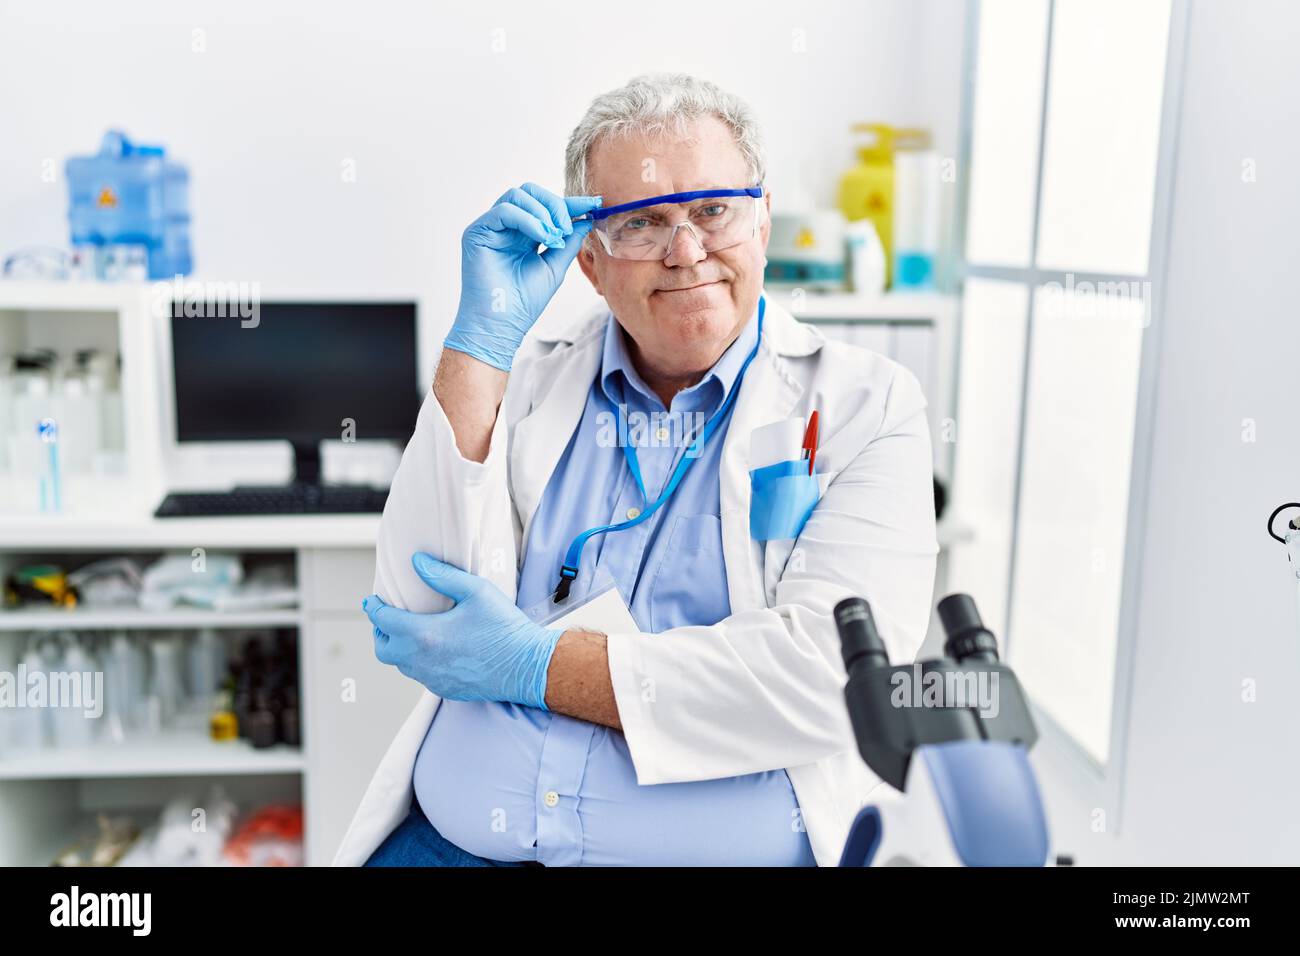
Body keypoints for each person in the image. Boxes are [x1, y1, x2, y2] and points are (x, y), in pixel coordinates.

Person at [337, 73, 938, 867]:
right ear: (590, 259)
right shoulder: (534, 387)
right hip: (453, 847)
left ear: (762, 221)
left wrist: (537, 665)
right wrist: (479, 341)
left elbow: (830, 678)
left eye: (713, 210)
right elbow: (418, 605)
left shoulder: (869, 406)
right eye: (645, 223)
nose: (686, 251)